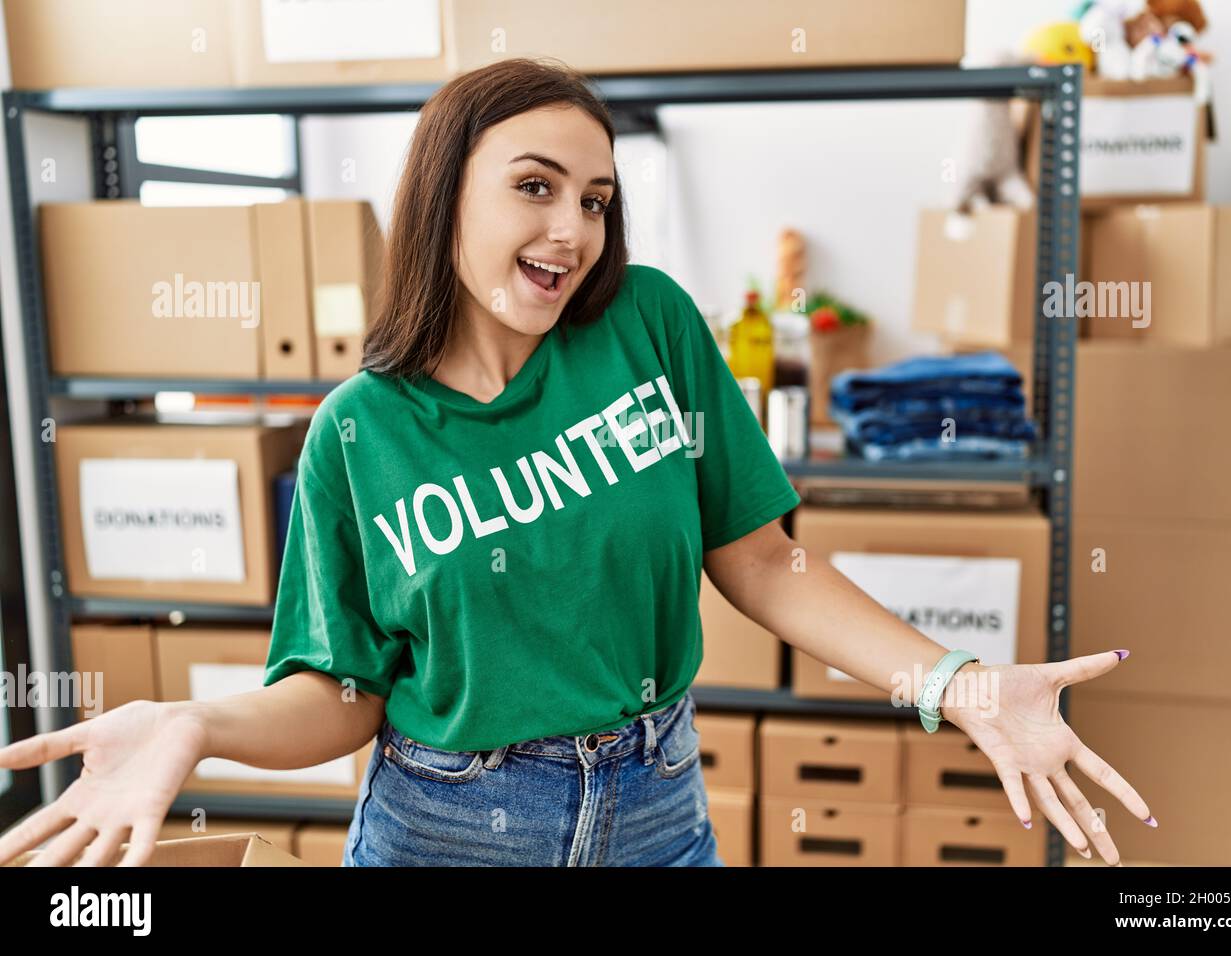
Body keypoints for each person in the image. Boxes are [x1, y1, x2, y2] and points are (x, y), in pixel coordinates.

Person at [0, 58, 1151, 868]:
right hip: (445, 823)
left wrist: (955, 681)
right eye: (534, 186)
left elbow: (762, 561)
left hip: (655, 803)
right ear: (444, 191)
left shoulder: (647, 325)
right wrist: (195, 723)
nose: (572, 230)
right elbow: (340, 694)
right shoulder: (359, 427)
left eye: (595, 199)